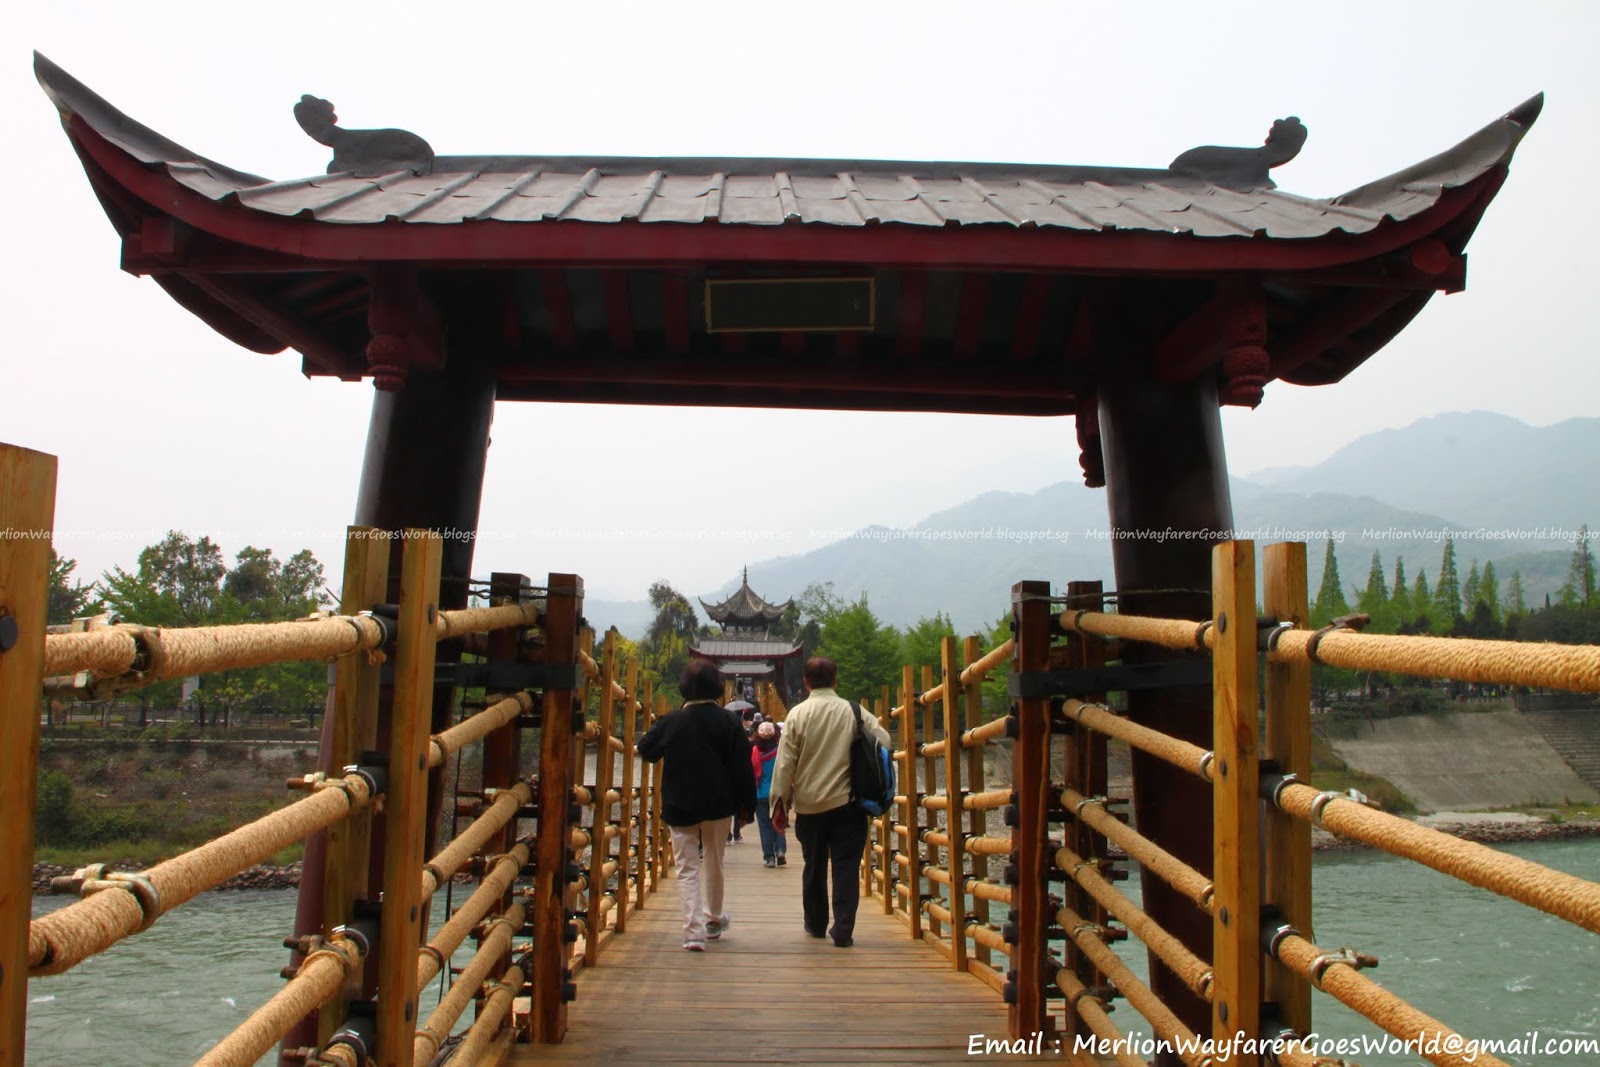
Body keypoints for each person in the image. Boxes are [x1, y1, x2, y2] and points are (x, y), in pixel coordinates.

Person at [769, 656, 890, 948]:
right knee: (846, 866)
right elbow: (884, 741)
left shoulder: (797, 714)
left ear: (806, 682)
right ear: (835, 680)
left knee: (814, 864)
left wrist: (779, 804)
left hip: (810, 806)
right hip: (848, 803)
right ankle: (844, 928)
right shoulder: (854, 711)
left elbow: (785, 764)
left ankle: (816, 923)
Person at [637, 658, 756, 951]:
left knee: (686, 866)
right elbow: (742, 768)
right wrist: (746, 808)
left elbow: (647, 750)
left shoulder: (672, 720)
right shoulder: (729, 721)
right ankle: (713, 919)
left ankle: (693, 931)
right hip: (719, 802)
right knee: (715, 859)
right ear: (717, 688)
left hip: (680, 801)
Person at [751, 720, 788, 867]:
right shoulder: (780, 751)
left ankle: (769, 858)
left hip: (760, 793)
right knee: (779, 821)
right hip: (777, 792)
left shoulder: (755, 752)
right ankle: (780, 850)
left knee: (765, 825)